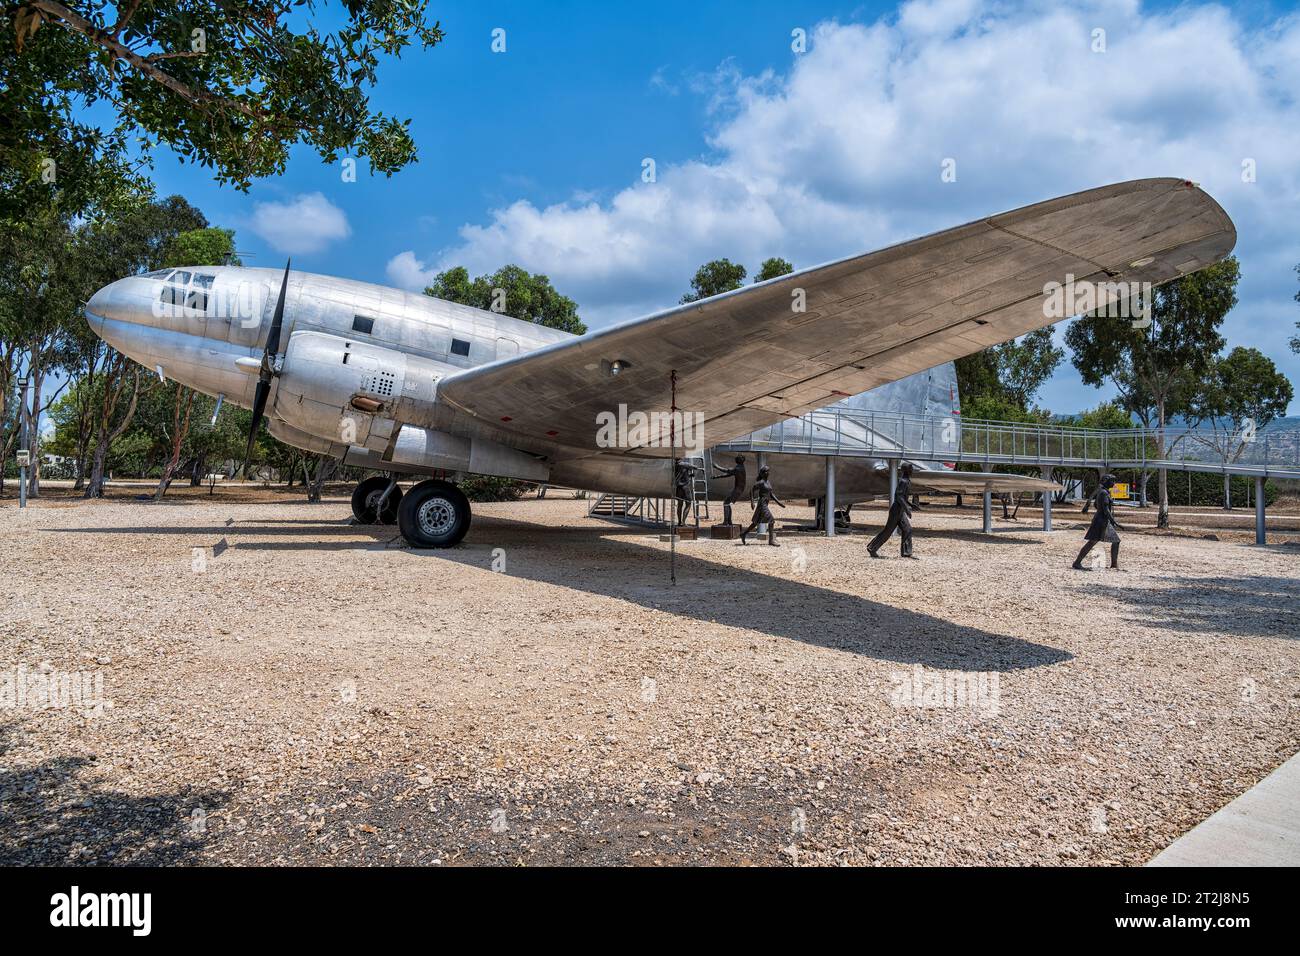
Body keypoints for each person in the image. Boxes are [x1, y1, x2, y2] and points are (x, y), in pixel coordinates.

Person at [1072, 473, 1122, 570]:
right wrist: (1114, 521)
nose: (1114, 483)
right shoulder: (1103, 493)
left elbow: (1096, 505)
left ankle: (1114, 565)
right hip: (1100, 521)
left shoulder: (1104, 492)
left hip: (1102, 520)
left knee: (1115, 541)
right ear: (1106, 481)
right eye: (1112, 481)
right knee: (1092, 542)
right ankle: (1077, 563)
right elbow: (1106, 510)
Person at [867, 462, 916, 559]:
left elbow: (903, 497)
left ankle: (906, 553)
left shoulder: (907, 481)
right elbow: (898, 497)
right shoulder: (903, 481)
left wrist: (911, 505)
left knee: (908, 529)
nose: (912, 471)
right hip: (896, 510)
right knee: (887, 531)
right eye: (911, 469)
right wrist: (907, 509)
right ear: (907, 470)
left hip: (900, 510)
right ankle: (872, 548)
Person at [741, 464, 785, 546]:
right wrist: (752, 502)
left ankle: (743, 534)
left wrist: (779, 503)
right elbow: (752, 490)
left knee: (755, 522)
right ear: (762, 473)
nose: (768, 472)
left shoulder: (768, 482)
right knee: (771, 520)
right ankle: (771, 541)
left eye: (768, 471)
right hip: (762, 504)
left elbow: (771, 494)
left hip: (765, 504)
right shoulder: (761, 482)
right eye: (766, 471)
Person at [712, 455, 747, 525]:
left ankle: (726, 521)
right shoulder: (740, 468)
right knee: (727, 503)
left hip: (738, 489)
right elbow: (728, 474)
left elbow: (727, 470)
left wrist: (717, 467)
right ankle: (729, 521)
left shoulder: (738, 468)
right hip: (738, 489)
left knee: (726, 503)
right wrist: (717, 477)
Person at [673, 459, 699, 525]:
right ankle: (683, 522)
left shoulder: (675, 465)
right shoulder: (684, 464)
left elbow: (680, 474)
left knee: (680, 504)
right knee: (688, 503)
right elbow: (695, 467)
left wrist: (689, 475)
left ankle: (679, 522)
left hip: (678, 487)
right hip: (685, 487)